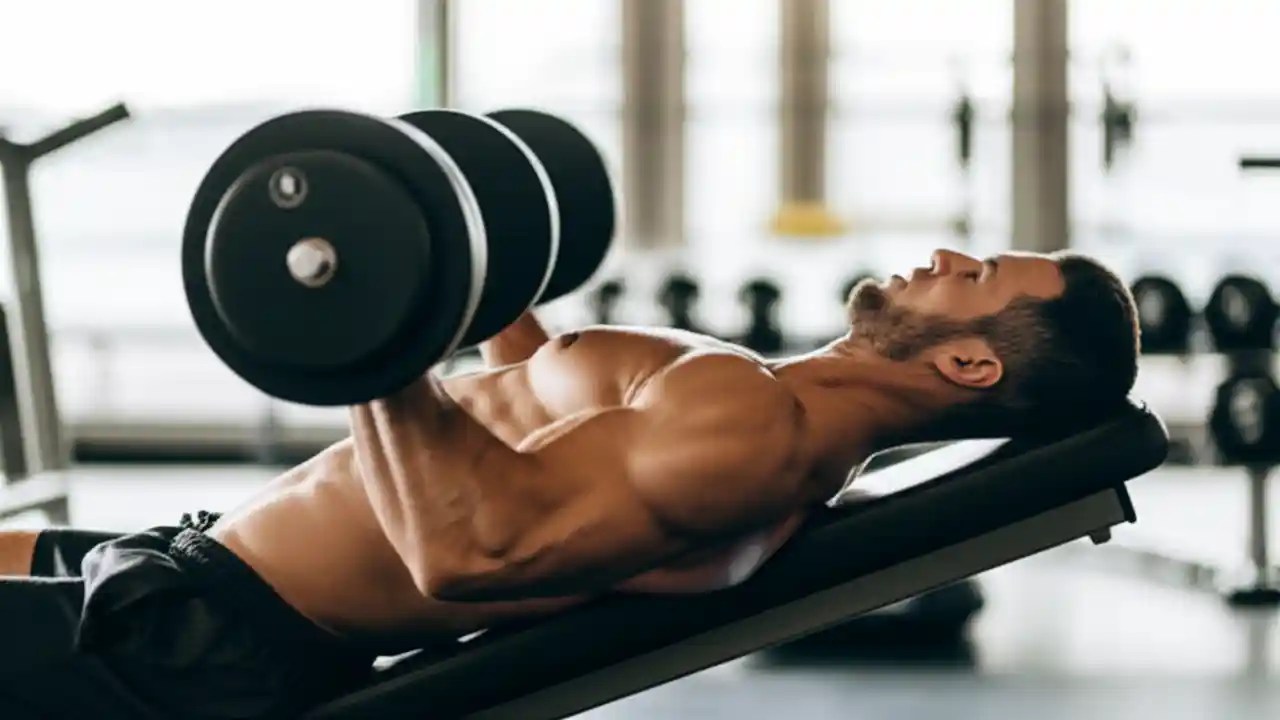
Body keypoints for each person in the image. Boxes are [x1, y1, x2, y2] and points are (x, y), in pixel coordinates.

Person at [0, 248, 1140, 719]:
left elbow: (470, 552)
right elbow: (538, 426)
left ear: (971, 363)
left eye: (976, 274)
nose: (944, 258)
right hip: (184, 571)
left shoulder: (751, 437)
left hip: (195, 636)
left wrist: (370, 342)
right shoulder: (758, 408)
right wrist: (480, 277)